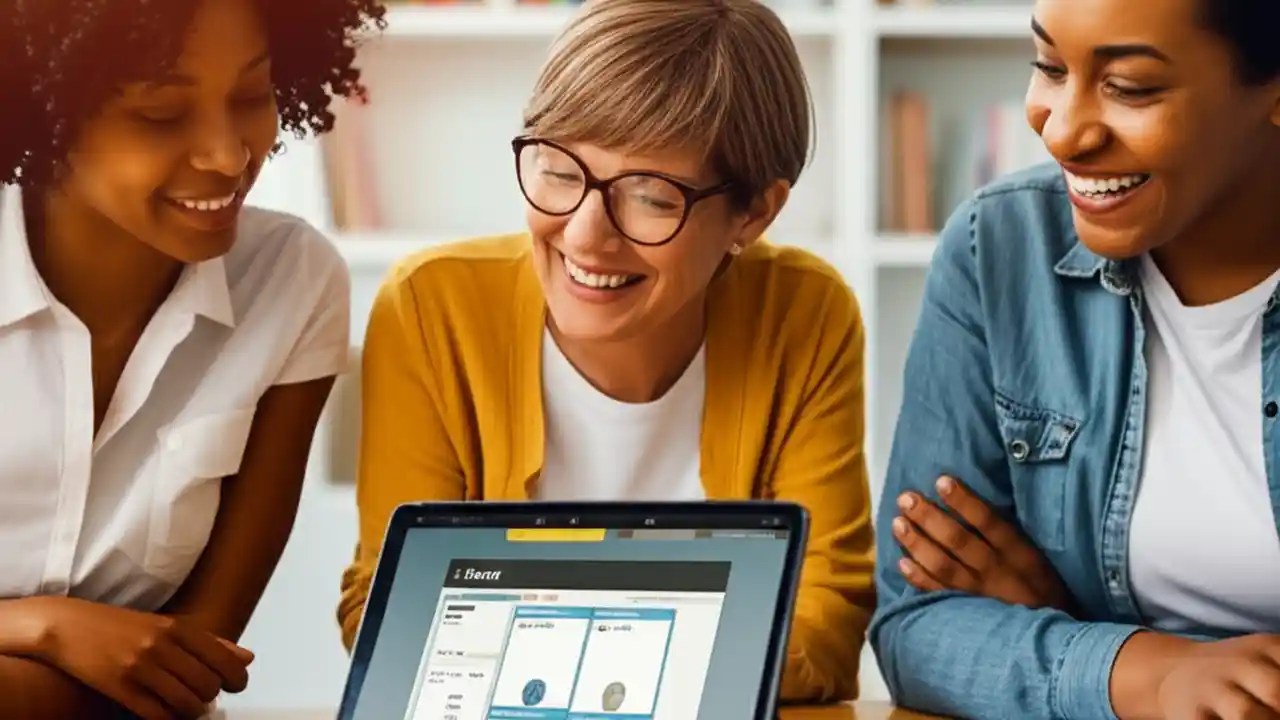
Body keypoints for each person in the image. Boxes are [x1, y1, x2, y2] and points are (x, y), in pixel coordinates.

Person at [338, 0, 875, 703]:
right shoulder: (430, 308)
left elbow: (826, 624)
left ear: (753, 213)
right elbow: (388, 613)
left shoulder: (805, 315)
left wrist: (514, 630)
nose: (586, 236)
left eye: (650, 197)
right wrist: (702, 642)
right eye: (560, 171)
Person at [870, 0, 1280, 717]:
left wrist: (1062, 623)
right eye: (1049, 68)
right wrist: (1145, 671)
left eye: (1129, 87)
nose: (1061, 130)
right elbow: (916, 627)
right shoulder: (998, 247)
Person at [0, 0, 384, 717]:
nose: (228, 155)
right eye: (160, 116)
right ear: (42, 106)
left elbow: (198, 657)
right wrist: (46, 626)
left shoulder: (289, 278)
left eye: (250, 97)